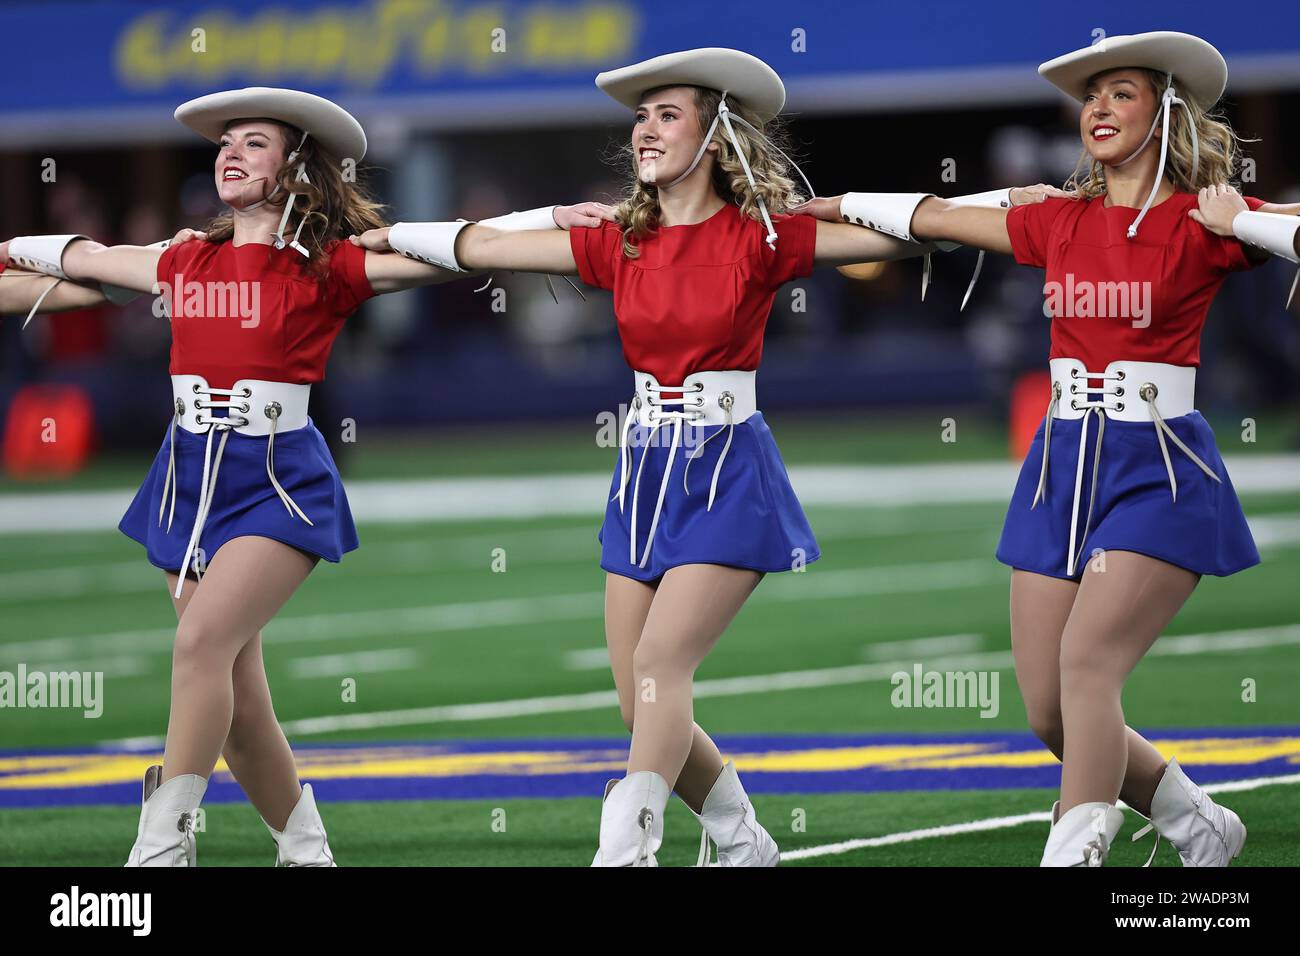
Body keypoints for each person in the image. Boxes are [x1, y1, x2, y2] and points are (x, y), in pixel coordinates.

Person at [355, 48, 1053, 866]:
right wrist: (396, 234)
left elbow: (909, 238)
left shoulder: (760, 237)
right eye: (641, 117)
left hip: (728, 469)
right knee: (638, 699)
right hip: (643, 473)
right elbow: (483, 249)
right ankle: (740, 836)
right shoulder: (618, 241)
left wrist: (1007, 203)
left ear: (716, 137)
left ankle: (627, 841)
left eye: (667, 115)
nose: (645, 131)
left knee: (660, 665)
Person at [1, 86, 612, 866]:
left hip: (275, 479)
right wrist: (19, 247)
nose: (230, 152)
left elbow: (463, 247)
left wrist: (548, 219)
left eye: (252, 142)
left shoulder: (331, 265)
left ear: (294, 166)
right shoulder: (183, 259)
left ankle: (161, 843)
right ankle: (306, 848)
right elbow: (72, 259)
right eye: (225, 141)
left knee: (197, 648)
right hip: (188, 478)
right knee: (239, 700)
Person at [792, 31, 1300, 866]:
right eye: (1091, 97)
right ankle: (1197, 820)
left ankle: (1074, 846)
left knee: (1088, 665)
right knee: (1049, 710)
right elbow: (934, 217)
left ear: (1165, 111)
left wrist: (1243, 217)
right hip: (1059, 466)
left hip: (1159, 466)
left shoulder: (1202, 219)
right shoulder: (1057, 219)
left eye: (1121, 93)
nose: (1098, 109)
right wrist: (835, 204)